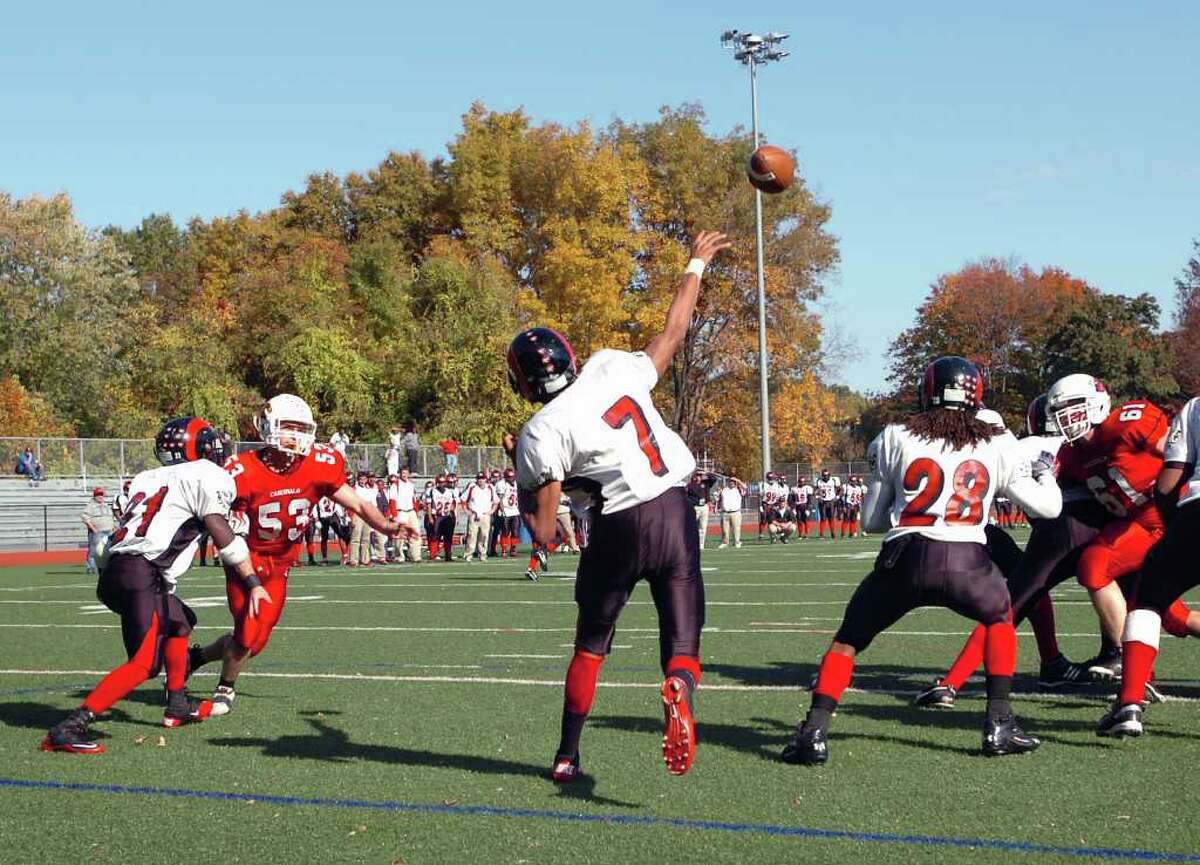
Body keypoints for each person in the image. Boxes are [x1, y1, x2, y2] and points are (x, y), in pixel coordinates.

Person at [504, 229, 729, 782]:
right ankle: (678, 684)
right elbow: (672, 332)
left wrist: (521, 471)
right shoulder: (610, 367)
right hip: (674, 509)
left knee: (590, 645)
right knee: (681, 640)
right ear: (570, 358)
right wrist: (695, 264)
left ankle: (566, 756)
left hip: (617, 527)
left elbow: (546, 531)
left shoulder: (541, 429)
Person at [781, 356, 1063, 767]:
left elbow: (872, 522)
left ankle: (814, 732)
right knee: (1000, 618)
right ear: (975, 396)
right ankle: (999, 723)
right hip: (969, 560)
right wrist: (1045, 474)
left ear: (926, 391)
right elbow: (1048, 509)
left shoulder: (895, 434)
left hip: (907, 557)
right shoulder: (997, 441)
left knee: (847, 640)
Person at [41, 417, 259, 753]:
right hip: (144, 572)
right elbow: (220, 530)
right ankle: (70, 726)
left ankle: (177, 704)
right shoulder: (206, 474)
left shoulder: (148, 477)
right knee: (144, 664)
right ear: (199, 448)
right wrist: (252, 579)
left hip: (117, 570)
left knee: (180, 621)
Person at [187, 394, 400, 716]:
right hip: (248, 558)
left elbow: (355, 503)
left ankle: (197, 657)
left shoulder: (319, 463)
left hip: (283, 561)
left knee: (254, 644)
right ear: (267, 427)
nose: (295, 435)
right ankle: (225, 687)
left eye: (301, 428)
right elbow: (222, 523)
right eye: (288, 427)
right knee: (246, 633)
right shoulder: (240, 470)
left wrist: (385, 525)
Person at [1098, 394, 1200, 736]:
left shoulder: (1195, 408)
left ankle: (1129, 703)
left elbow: (1168, 483)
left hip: (1196, 517)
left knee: (1146, 602)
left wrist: (1175, 526)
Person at [461, 472, 498, 561]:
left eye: (482, 479)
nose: (480, 480)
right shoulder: (472, 487)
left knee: (484, 535)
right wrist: (467, 512)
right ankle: (469, 554)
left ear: (485, 479)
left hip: (485, 515)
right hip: (474, 515)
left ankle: (482, 554)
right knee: (471, 535)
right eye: (479, 479)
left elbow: (496, 501)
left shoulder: (490, 488)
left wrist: (492, 511)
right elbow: (463, 500)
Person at [388, 467, 422, 562]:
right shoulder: (395, 485)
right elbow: (392, 500)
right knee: (400, 535)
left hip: (411, 511)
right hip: (401, 511)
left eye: (406, 473)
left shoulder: (411, 485)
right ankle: (399, 556)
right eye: (403, 473)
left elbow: (413, 499)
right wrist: (394, 514)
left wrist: (416, 511)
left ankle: (415, 556)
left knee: (416, 533)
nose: (404, 475)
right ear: (400, 474)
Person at [81, 487, 115, 575]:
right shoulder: (90, 506)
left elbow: (110, 517)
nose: (100, 496)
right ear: (94, 496)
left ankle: (104, 568)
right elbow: (85, 518)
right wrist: (93, 529)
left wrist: (113, 526)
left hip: (109, 531)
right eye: (98, 495)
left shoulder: (106, 505)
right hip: (98, 532)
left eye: (101, 495)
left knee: (107, 551)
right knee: (94, 551)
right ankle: (91, 568)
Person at [347, 471, 377, 567]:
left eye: (364, 479)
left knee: (366, 538)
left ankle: (365, 560)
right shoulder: (354, 489)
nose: (362, 481)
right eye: (361, 479)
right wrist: (351, 517)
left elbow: (372, 503)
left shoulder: (369, 489)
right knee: (356, 538)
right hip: (357, 514)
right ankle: (353, 560)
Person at [493, 468, 521, 557]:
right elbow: (499, 499)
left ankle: (513, 549)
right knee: (505, 532)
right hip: (505, 511)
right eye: (509, 477)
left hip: (515, 510)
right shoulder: (501, 484)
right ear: (505, 477)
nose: (511, 479)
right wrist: (502, 510)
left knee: (515, 532)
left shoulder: (517, 484)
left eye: (513, 477)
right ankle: (504, 549)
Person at [685, 471, 716, 550]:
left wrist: (706, 473)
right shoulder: (690, 485)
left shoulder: (706, 483)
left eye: (700, 475)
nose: (699, 477)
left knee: (703, 527)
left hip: (704, 507)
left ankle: (701, 544)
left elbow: (714, 478)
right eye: (698, 475)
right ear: (694, 476)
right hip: (695, 507)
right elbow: (687, 496)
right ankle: (690, 543)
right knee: (691, 526)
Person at [717, 477, 746, 549]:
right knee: (725, 529)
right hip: (725, 512)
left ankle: (737, 542)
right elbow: (719, 498)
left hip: (735, 512)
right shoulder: (724, 489)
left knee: (736, 529)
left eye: (733, 482)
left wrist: (738, 480)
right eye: (731, 481)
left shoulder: (738, 489)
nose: (732, 483)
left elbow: (745, 487)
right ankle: (725, 542)